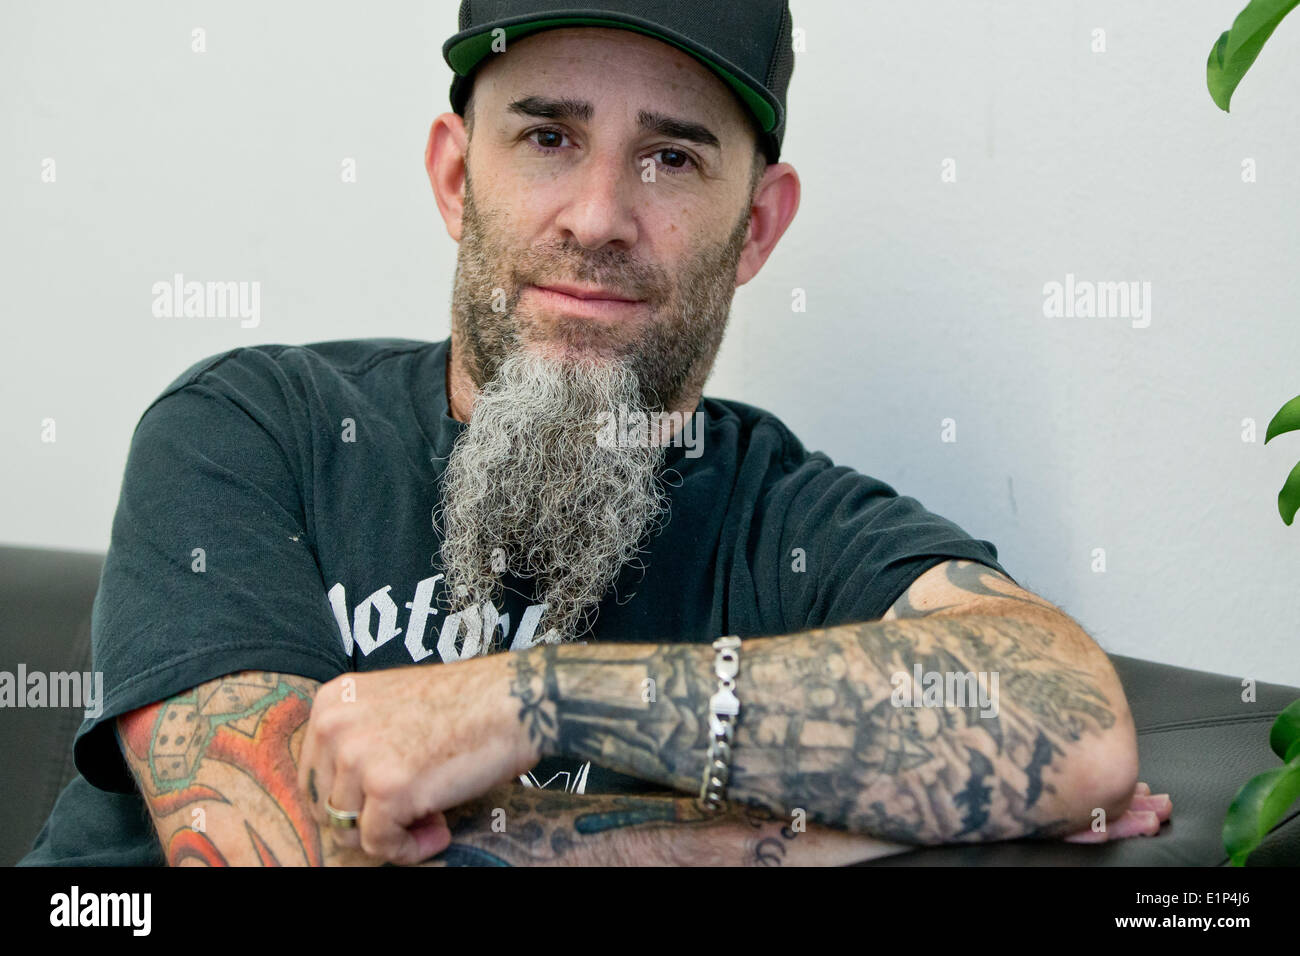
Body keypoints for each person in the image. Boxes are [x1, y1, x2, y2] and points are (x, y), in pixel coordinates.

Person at [22, 0, 1169, 867]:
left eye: (670, 158)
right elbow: (274, 849)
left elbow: (1067, 723)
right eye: (547, 139)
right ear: (454, 178)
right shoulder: (251, 429)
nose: (599, 218)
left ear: (758, 226)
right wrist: (793, 833)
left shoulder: (784, 522)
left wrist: (529, 697)